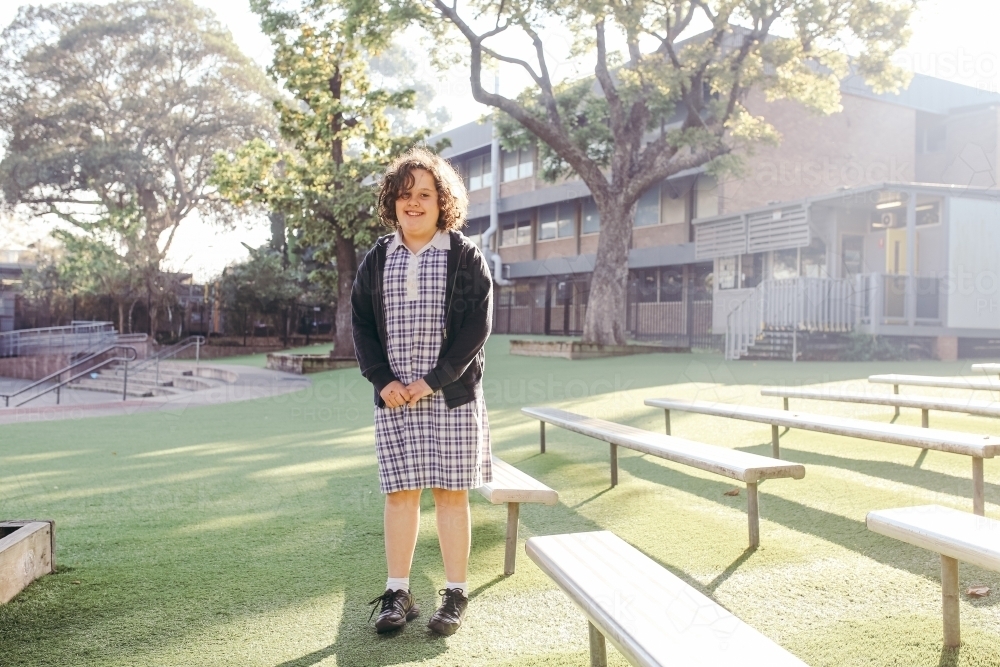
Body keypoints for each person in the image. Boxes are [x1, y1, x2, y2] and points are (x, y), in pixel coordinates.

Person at [351, 146, 493, 636]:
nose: (414, 203)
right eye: (405, 194)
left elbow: (478, 326)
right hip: (394, 399)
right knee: (400, 495)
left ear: (442, 202)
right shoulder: (377, 259)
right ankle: (398, 593)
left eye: (426, 194)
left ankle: (454, 594)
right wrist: (384, 380)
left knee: (451, 495)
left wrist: (430, 381)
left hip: (450, 397)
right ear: (392, 201)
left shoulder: (463, 255)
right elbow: (363, 327)